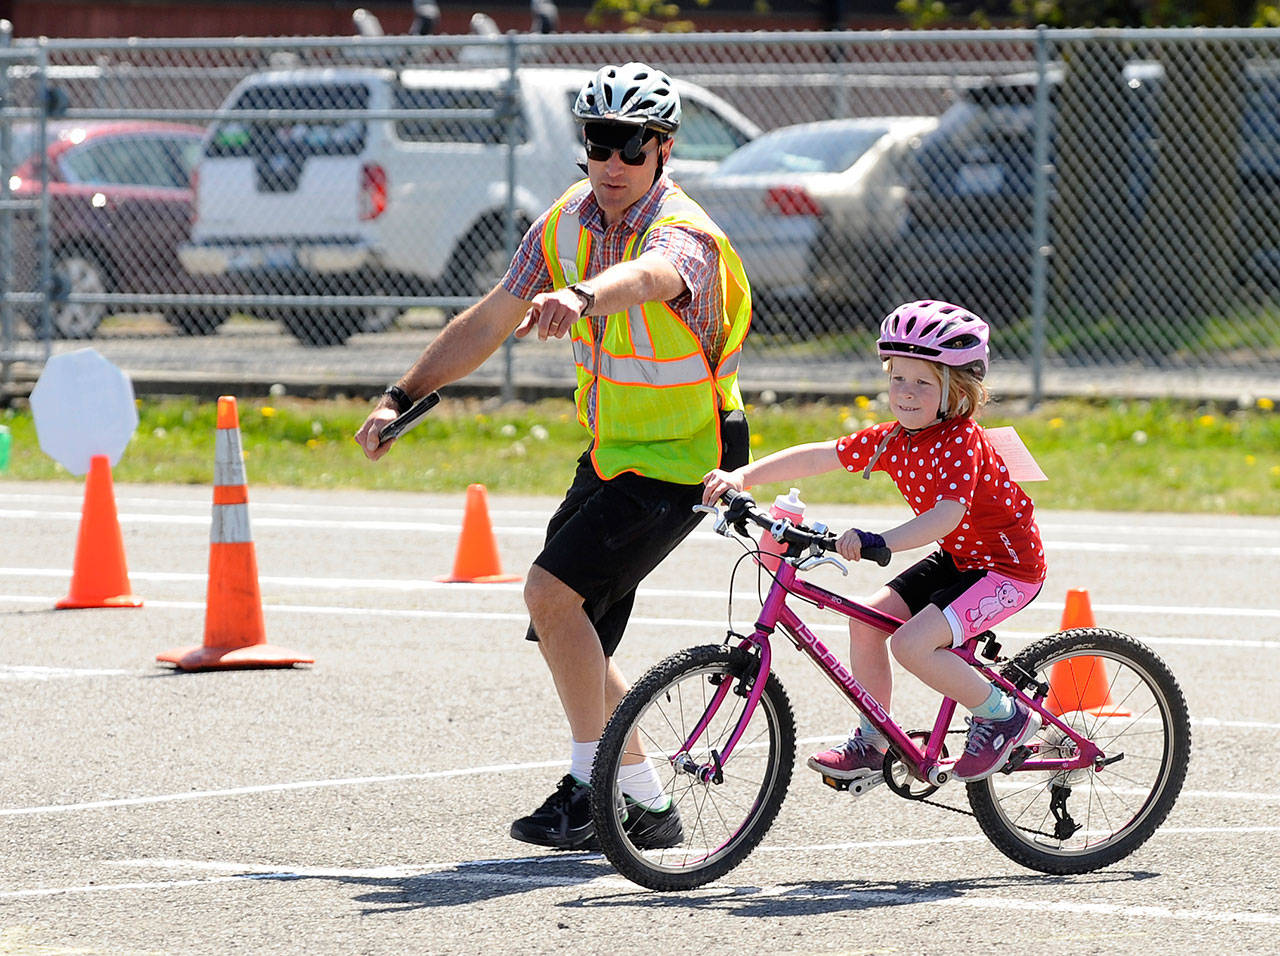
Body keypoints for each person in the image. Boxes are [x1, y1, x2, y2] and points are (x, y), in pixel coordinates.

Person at [355, 62, 752, 849]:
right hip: (613, 451)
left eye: (631, 147)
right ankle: (637, 799)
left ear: (664, 150)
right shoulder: (566, 221)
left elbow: (651, 277)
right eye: (598, 143)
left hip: (686, 457)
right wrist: (402, 396)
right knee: (567, 624)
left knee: (551, 595)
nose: (611, 163)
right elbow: (489, 319)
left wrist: (580, 297)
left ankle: (596, 790)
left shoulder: (686, 233)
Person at [702, 300, 1046, 786]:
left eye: (923, 383)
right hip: (960, 559)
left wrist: (879, 541)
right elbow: (821, 455)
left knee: (911, 644)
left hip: (1008, 569)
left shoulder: (962, 441)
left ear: (957, 391)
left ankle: (1002, 715)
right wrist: (743, 476)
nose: (905, 393)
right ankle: (874, 740)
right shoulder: (893, 439)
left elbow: (946, 517)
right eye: (897, 378)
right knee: (866, 622)